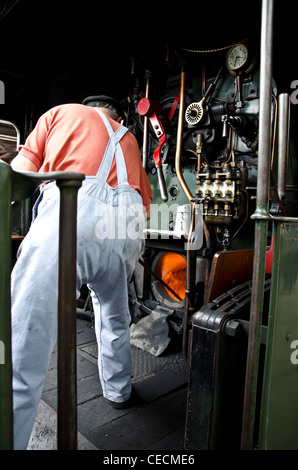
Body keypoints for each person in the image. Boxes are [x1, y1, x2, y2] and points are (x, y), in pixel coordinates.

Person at [10, 95, 152, 450]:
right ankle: (119, 391)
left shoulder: (60, 113)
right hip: (128, 230)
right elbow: (146, 209)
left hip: (74, 212)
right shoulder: (131, 140)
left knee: (25, 338)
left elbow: (17, 180)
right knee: (114, 314)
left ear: (89, 107)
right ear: (119, 116)